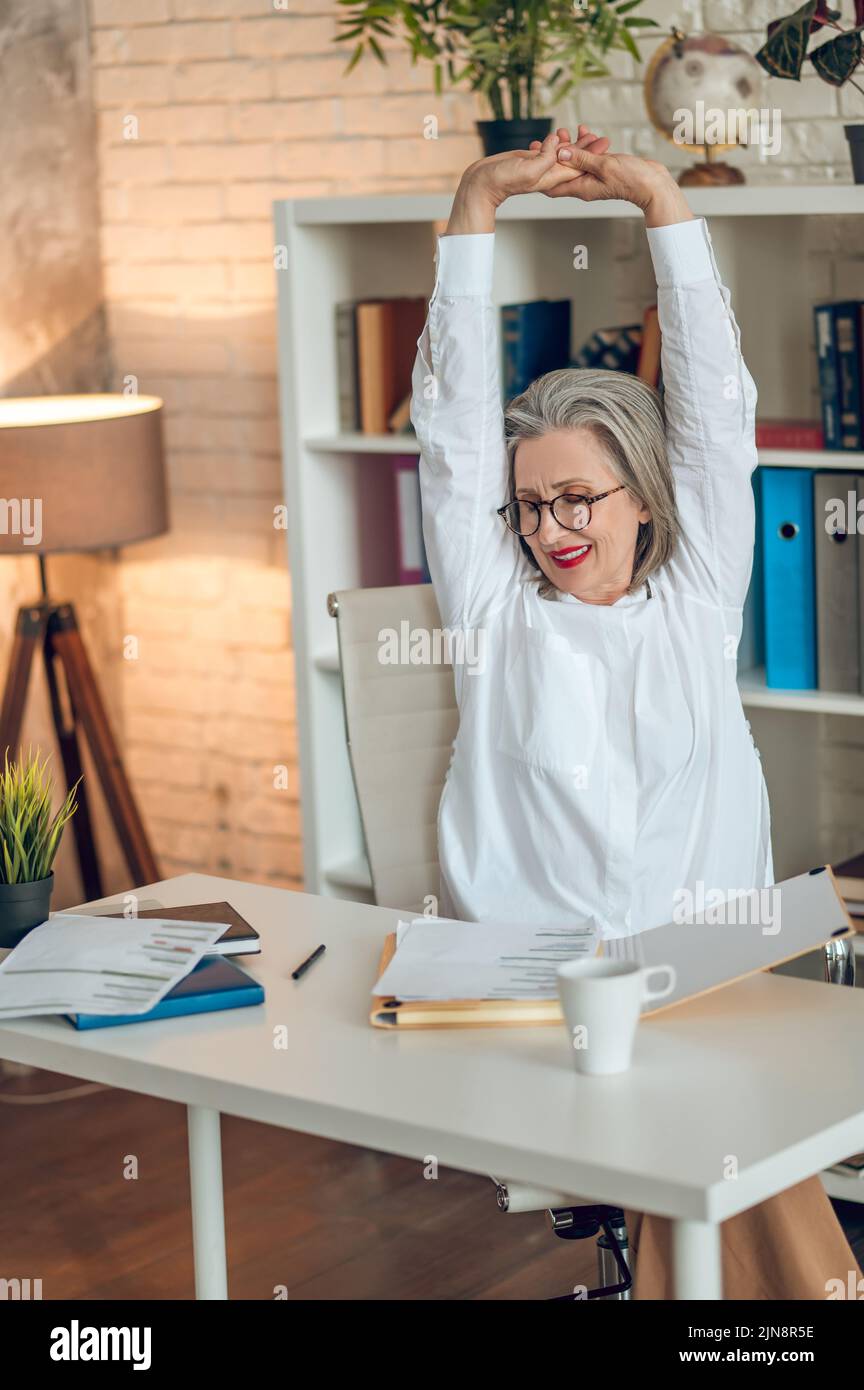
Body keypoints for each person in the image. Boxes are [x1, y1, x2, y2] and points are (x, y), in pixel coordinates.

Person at [409, 126, 861, 1299]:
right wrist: (475, 204)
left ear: (644, 500)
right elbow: (451, 436)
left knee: (726, 1138)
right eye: (530, 505)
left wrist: (660, 200)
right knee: (730, 1152)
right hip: (533, 983)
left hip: (708, 973)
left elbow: (716, 410)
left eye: (578, 496)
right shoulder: (498, 616)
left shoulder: (698, 597)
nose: (551, 526)